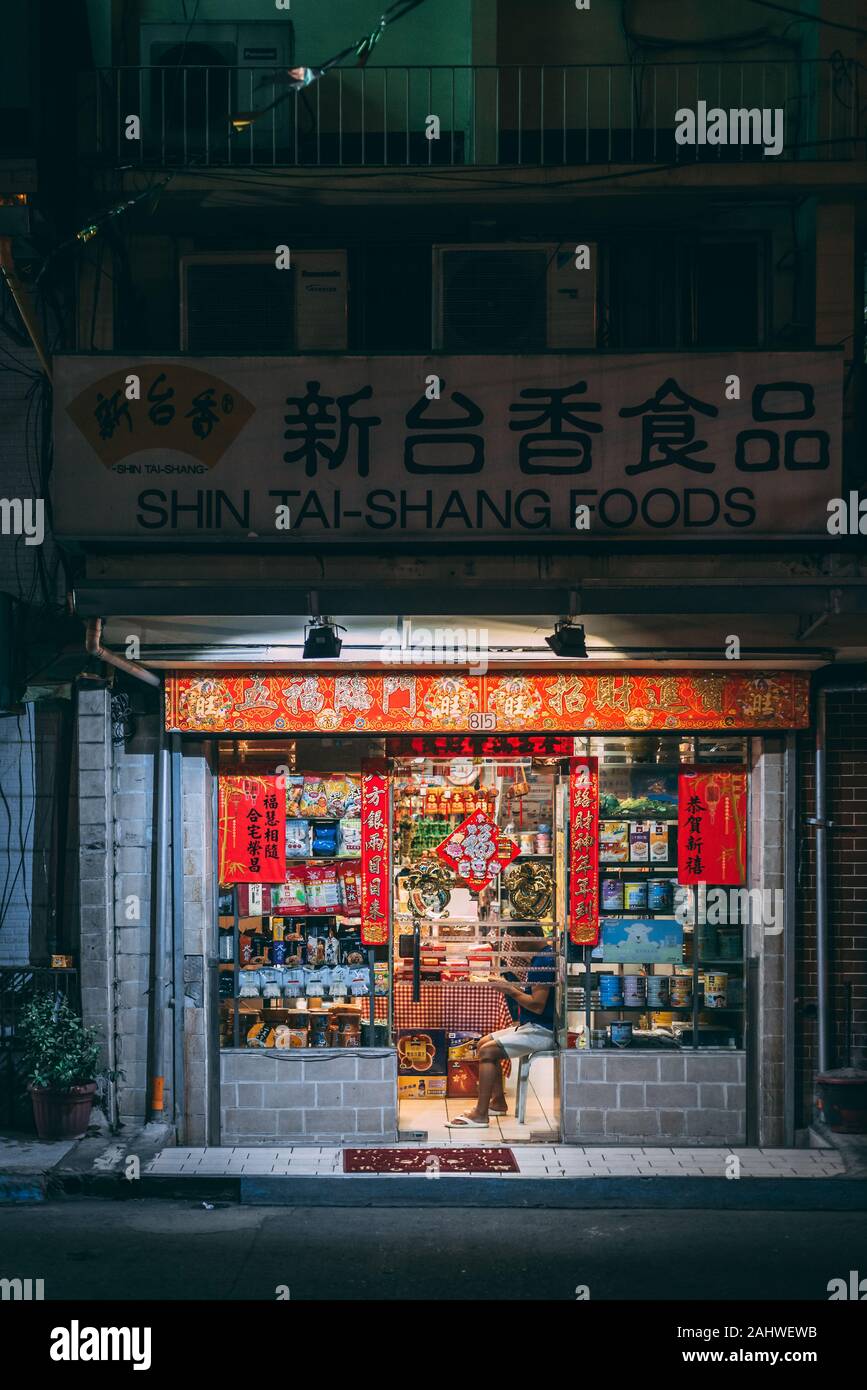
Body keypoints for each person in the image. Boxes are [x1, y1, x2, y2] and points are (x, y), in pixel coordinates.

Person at [446, 923, 556, 1128]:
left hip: (543, 1030)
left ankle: (480, 1114)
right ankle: (497, 1103)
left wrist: (509, 990)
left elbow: (537, 1005)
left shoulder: (544, 960)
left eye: (516, 941)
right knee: (484, 1042)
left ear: (529, 935)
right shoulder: (543, 957)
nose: (514, 948)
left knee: (488, 1052)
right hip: (532, 1025)